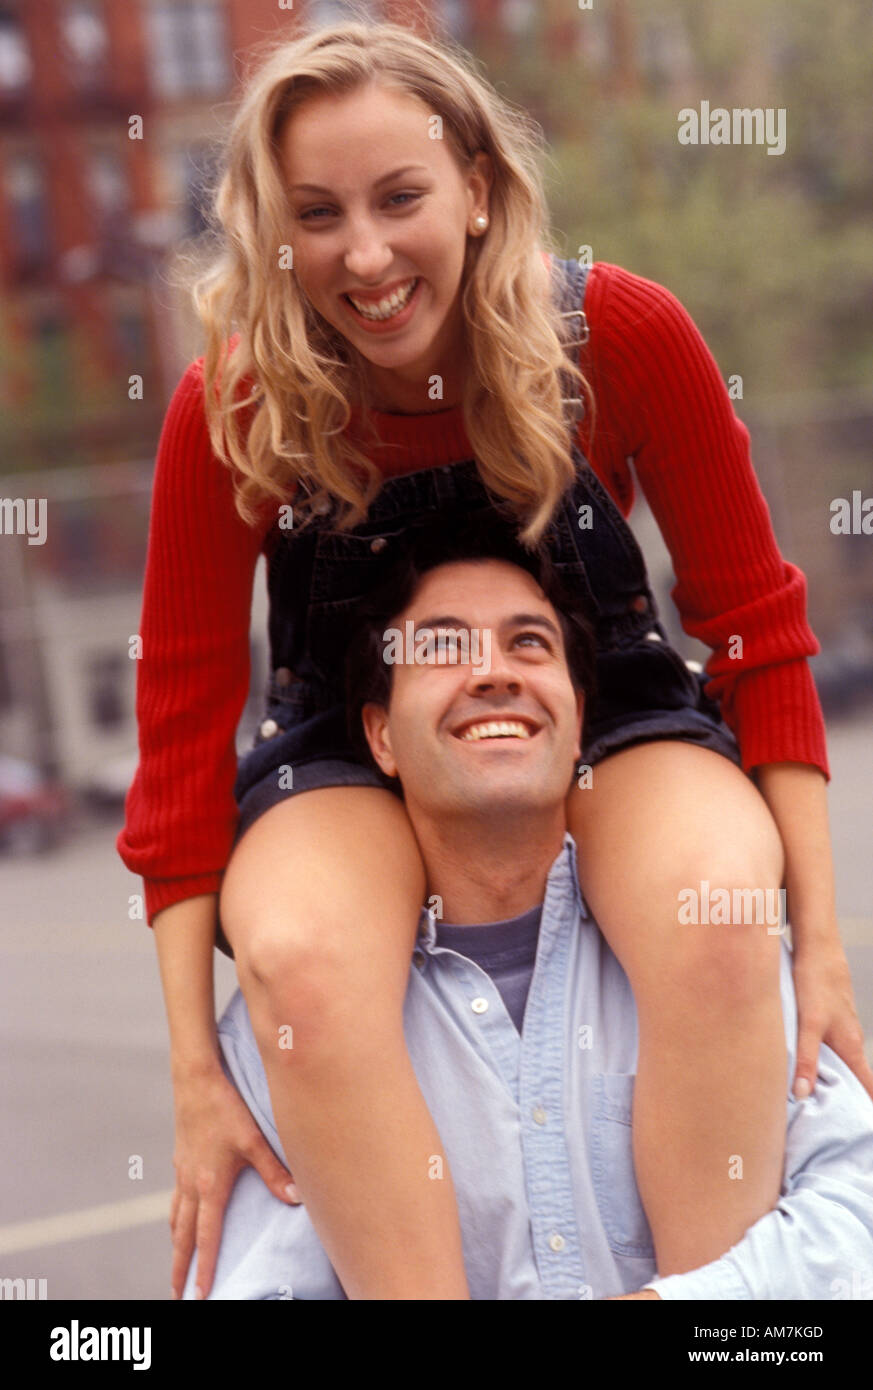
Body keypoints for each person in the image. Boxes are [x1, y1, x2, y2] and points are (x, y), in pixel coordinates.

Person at [115, 17, 872, 1302]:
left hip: (603, 698)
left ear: (475, 187)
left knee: (712, 913)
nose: (364, 255)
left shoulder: (620, 333)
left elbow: (758, 628)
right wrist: (195, 1070)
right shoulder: (236, 401)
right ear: (274, 231)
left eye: (399, 198)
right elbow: (181, 729)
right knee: (301, 956)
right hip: (346, 733)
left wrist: (821, 945)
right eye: (317, 215)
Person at [183, 544, 873, 1300]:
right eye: (441, 649)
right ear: (380, 737)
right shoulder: (295, 1015)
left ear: (577, 725)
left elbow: (856, 1215)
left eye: (529, 643)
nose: (493, 672)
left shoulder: (707, 936)